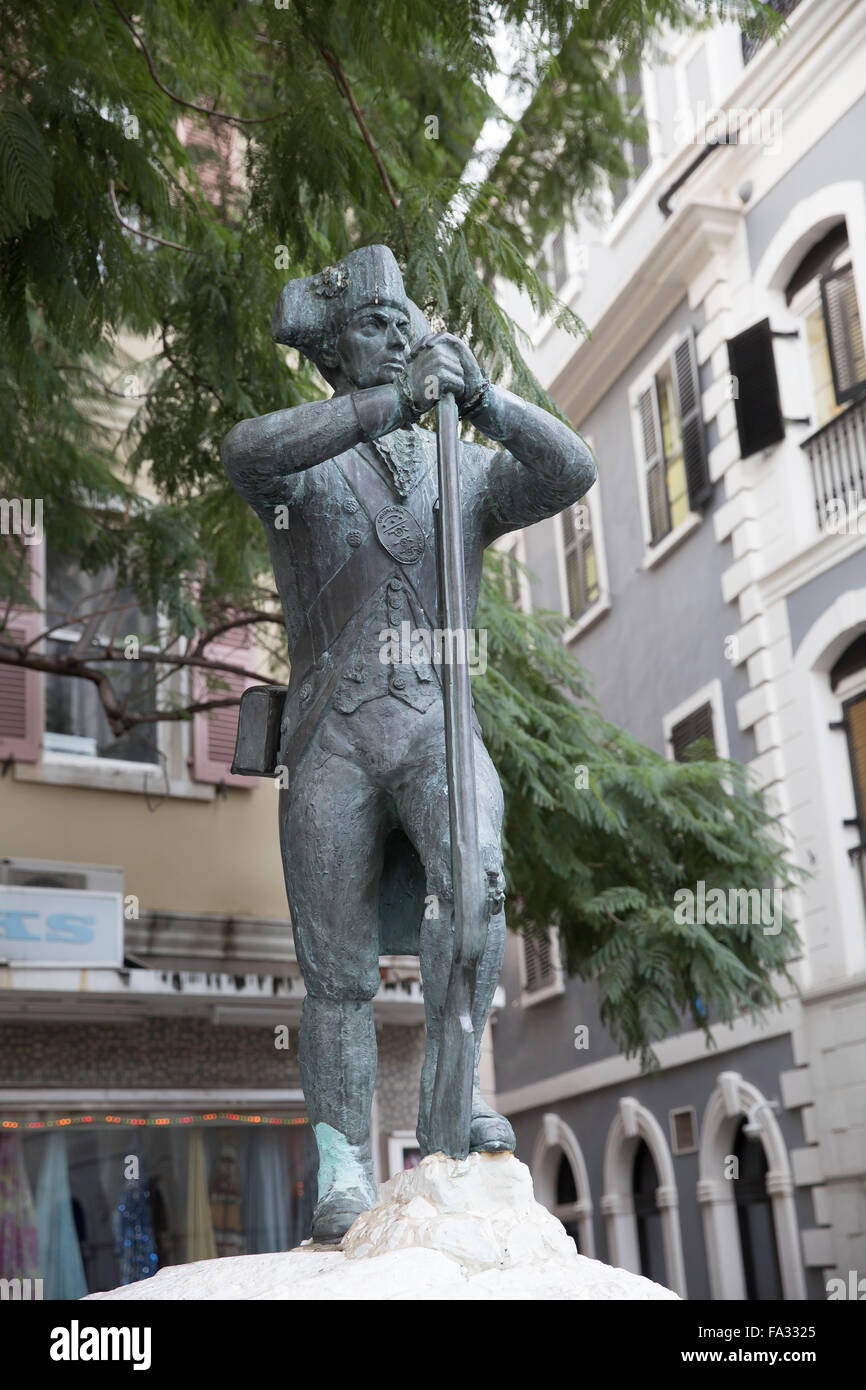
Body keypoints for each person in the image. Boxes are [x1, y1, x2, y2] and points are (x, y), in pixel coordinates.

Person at [222, 245, 596, 1241]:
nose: (397, 338)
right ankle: (341, 1161)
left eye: (406, 324)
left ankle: (455, 1096)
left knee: (473, 894)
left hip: (437, 722)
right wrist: (384, 408)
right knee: (337, 974)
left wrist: (484, 404)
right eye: (376, 327)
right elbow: (243, 451)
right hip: (332, 735)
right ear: (337, 347)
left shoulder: (463, 467)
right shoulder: (301, 460)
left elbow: (571, 469)